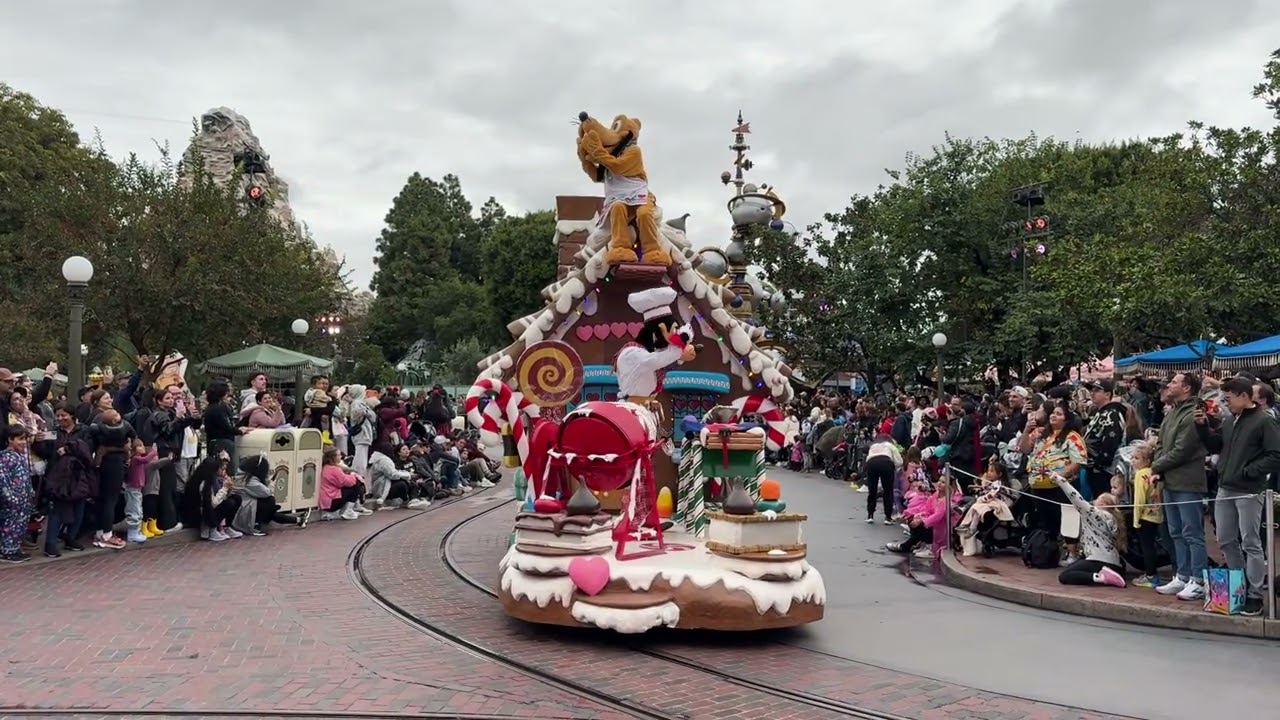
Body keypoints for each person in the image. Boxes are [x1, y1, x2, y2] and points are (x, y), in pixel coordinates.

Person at [1198, 376, 1280, 616]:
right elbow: (1217, 446)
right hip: (1226, 487)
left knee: (1250, 541)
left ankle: (1255, 594)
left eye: (1229, 398)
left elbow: (1275, 454)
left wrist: (1249, 472)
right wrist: (1203, 427)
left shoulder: (1264, 421)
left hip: (1248, 490)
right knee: (1225, 539)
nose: (1226, 402)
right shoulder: (1230, 421)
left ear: (1245, 397)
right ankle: (1238, 586)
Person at [1150, 372, 1210, 601]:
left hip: (1188, 481)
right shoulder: (1174, 411)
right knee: (1175, 531)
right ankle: (1182, 574)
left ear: (1186, 388)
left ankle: (1199, 579)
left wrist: (1156, 466)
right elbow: (1161, 443)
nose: (1169, 385)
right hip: (1170, 480)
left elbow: (1182, 449)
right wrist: (1159, 467)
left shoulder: (1194, 413)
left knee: (1192, 532)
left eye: (1174, 382)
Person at [1021, 401, 1087, 563]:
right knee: (1045, 520)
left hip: (1062, 486)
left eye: (1059, 413)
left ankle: (1072, 553)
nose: (1053, 416)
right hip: (1039, 486)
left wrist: (1060, 476)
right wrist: (1026, 430)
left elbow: (1078, 461)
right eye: (1053, 413)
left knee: (1068, 518)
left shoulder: (1072, 436)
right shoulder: (1040, 433)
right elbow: (1024, 449)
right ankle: (1047, 552)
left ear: (1066, 419)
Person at [1051, 472, 1127, 588]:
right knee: (1074, 567)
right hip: (1113, 561)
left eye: (1097, 499)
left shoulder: (1094, 514)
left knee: (1065, 576)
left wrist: (1060, 480)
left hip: (1099, 560)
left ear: (1101, 503)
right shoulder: (1113, 517)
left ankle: (1101, 577)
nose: (1094, 501)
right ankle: (1108, 574)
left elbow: (1075, 497)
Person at [1083, 380, 1127, 498]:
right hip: (1094, 468)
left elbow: (1111, 441)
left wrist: (1099, 465)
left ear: (1107, 394)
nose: (1092, 393)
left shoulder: (1112, 413)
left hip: (1105, 471)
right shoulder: (1100, 412)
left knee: (1104, 503)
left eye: (1097, 390)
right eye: (1091, 390)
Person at [1128, 443, 1164, 589]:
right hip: (1156, 515)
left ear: (1147, 460)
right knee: (1152, 545)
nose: (1133, 461)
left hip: (1145, 517)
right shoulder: (1153, 472)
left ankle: (1151, 575)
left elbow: (1139, 500)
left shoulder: (1140, 475)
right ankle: (1151, 573)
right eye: (1132, 457)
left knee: (1146, 547)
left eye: (1137, 458)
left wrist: (1136, 520)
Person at [0, 425, 34, 563]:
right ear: (10, 439)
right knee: (10, 525)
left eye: (24, 439)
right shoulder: (5, 457)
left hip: (22, 500)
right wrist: (10, 496)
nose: (23, 442)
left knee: (19, 525)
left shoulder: (18, 456)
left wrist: (29, 491)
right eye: (20, 439)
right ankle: (6, 551)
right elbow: (2, 478)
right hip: (12, 500)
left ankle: (14, 547)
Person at [862, 433, 902, 525]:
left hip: (871, 464)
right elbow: (899, 461)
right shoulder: (890, 445)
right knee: (888, 491)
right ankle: (888, 517)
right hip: (886, 463)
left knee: (872, 490)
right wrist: (895, 468)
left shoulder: (874, 445)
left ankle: (870, 515)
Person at [124, 439, 157, 544]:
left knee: (138, 509)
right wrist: (153, 451)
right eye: (139, 446)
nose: (142, 447)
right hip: (133, 488)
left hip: (138, 489)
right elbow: (147, 459)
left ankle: (136, 531)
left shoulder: (138, 459)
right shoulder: (136, 459)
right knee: (134, 510)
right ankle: (132, 533)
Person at [319, 446, 365, 520]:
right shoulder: (334, 469)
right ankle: (348, 511)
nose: (341, 457)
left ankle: (346, 510)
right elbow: (346, 482)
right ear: (333, 457)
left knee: (350, 486)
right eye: (339, 455)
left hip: (326, 501)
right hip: (331, 502)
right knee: (356, 485)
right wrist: (354, 476)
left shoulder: (326, 467)